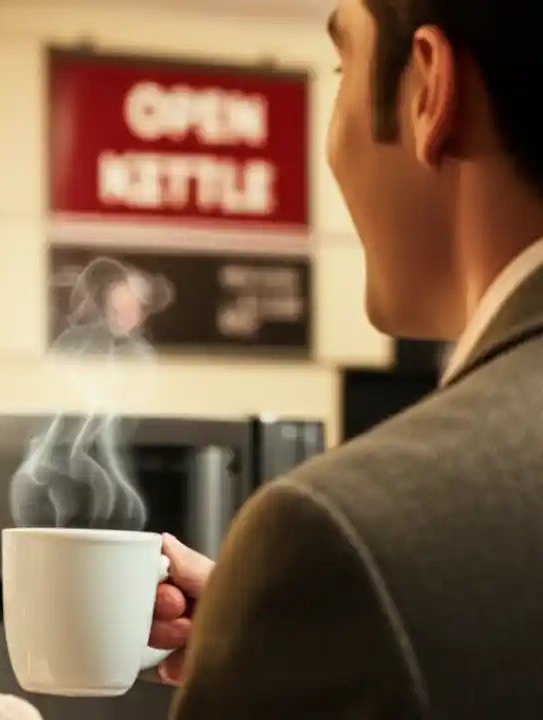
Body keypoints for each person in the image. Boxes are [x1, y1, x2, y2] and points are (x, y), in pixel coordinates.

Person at [147, 0, 543, 717]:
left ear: (430, 91)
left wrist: (316, 606)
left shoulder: (341, 537)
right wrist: (273, 638)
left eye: (341, 67)